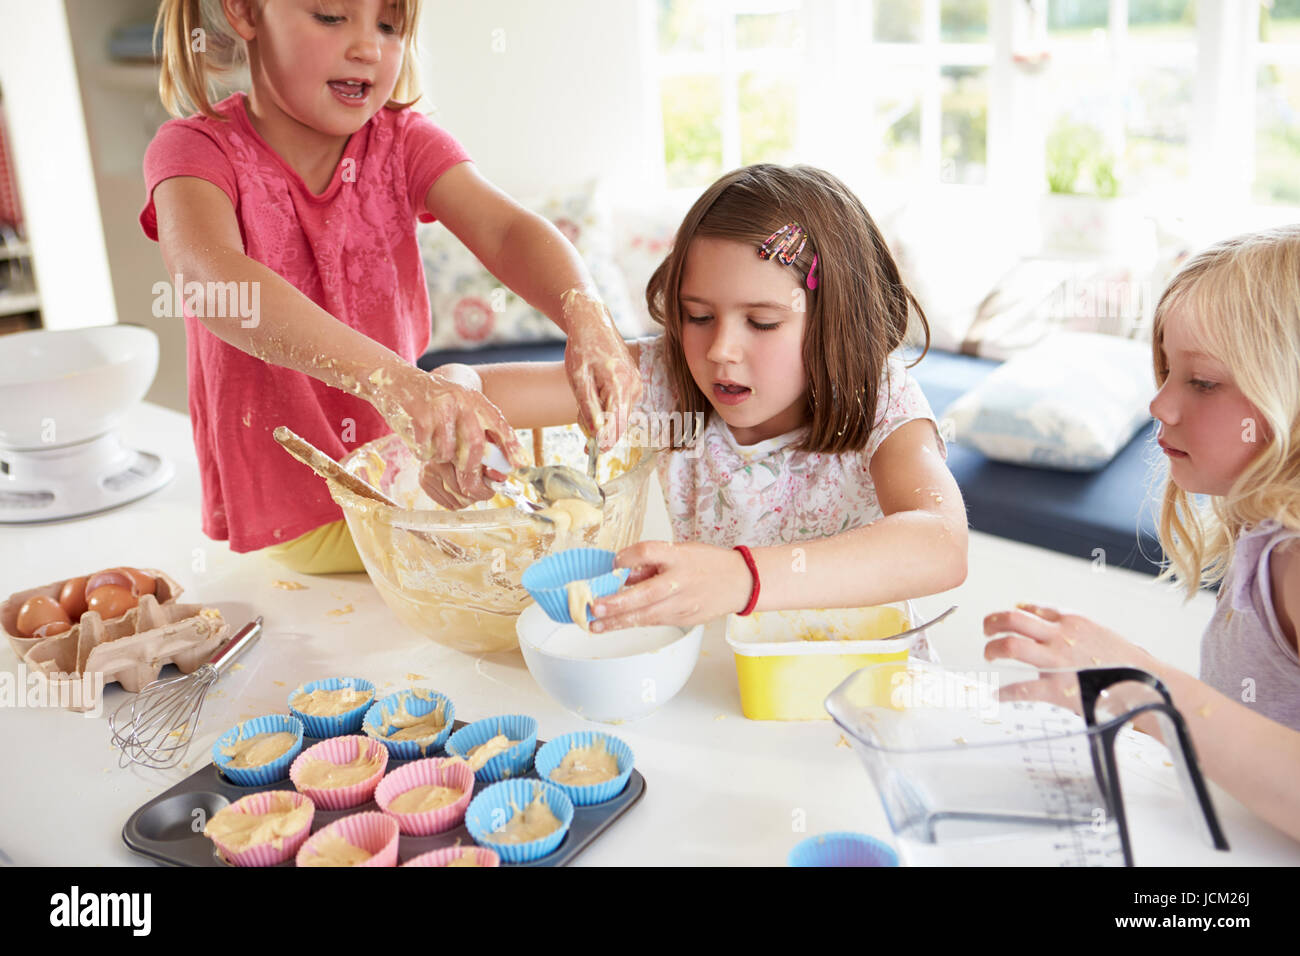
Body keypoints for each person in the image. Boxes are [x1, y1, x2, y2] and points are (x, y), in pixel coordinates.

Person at [140, 0, 639, 573]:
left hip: (403, 467)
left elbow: (505, 230)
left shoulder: (402, 142)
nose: (367, 47)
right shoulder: (195, 151)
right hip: (303, 511)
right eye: (331, 17)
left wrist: (587, 317)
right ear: (246, 13)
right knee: (525, 551)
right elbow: (213, 281)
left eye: (388, 25)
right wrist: (395, 382)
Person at [423, 164, 969, 631]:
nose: (720, 351)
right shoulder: (665, 378)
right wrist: (455, 413)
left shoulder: (880, 402)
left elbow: (942, 542)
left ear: (835, 323)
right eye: (698, 316)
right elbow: (471, 386)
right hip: (724, 687)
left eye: (762, 321)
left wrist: (741, 577)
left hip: (861, 692)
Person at [984, 225, 1300, 841]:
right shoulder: (1263, 532)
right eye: (1164, 371)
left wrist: (1137, 683)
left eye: (1202, 381)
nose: (1160, 404)